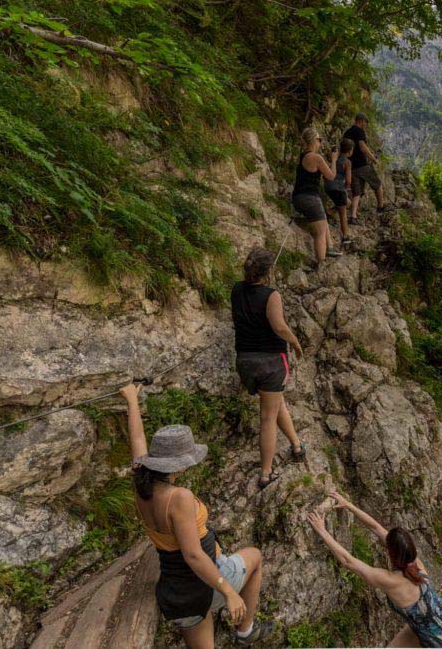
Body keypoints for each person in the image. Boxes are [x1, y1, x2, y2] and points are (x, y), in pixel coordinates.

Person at [120, 383, 273, 647]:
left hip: (177, 593)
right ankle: (245, 629)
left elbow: (137, 441)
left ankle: (240, 625)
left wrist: (132, 401)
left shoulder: (141, 485)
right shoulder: (179, 497)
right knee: (255, 556)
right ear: (179, 464)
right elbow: (192, 554)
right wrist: (228, 592)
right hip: (206, 581)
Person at [306, 491, 442, 647]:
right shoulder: (414, 561)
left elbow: (348, 561)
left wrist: (321, 530)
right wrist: (348, 504)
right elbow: (375, 527)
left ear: (391, 552)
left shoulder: (391, 581)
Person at [231, 248, 306, 490]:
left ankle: (296, 445)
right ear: (268, 272)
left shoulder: (236, 290)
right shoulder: (271, 295)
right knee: (267, 418)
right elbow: (280, 327)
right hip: (271, 362)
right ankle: (266, 472)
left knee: (274, 403)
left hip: (245, 361)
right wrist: (295, 342)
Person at [294, 127, 342, 267]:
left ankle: (330, 247)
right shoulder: (316, 158)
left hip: (298, 197)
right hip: (310, 197)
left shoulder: (303, 155)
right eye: (319, 140)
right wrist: (334, 160)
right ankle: (321, 263)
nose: (320, 142)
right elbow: (331, 176)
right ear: (314, 140)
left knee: (323, 218)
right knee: (320, 233)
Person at [342, 112, 387, 221]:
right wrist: (373, 159)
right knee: (377, 184)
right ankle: (380, 207)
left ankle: (353, 216)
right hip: (362, 165)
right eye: (365, 123)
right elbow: (362, 147)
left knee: (357, 192)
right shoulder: (359, 131)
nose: (365, 125)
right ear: (361, 121)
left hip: (351, 167)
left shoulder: (347, 132)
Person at [325, 138, 355, 247]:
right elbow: (348, 180)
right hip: (338, 188)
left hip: (328, 186)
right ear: (351, 150)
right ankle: (345, 237)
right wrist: (347, 189)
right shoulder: (347, 162)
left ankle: (329, 211)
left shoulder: (335, 158)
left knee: (348, 203)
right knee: (343, 212)